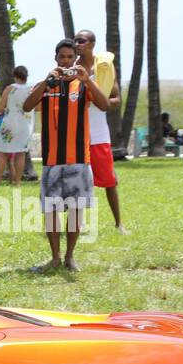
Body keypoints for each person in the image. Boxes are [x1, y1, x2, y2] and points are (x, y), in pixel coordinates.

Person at [22, 39, 111, 272]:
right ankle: (54, 257)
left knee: (75, 210)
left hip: (79, 160)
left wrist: (88, 81)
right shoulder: (47, 84)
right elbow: (27, 106)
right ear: (56, 59)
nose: (66, 61)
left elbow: (104, 106)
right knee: (51, 211)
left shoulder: (83, 84)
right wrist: (44, 83)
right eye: (62, 57)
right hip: (52, 160)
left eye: (70, 57)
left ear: (75, 59)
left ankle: (70, 257)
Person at [74, 29, 127, 236]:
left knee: (109, 180)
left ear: (92, 43)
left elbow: (115, 99)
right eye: (76, 40)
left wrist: (99, 100)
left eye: (82, 40)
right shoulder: (71, 67)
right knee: (78, 180)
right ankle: (79, 223)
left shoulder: (104, 67)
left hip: (98, 133)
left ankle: (118, 223)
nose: (78, 44)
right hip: (76, 133)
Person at [0, 65, 33, 186]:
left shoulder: (10, 88)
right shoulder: (32, 88)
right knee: (21, 153)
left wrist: (6, 109)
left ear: (15, 76)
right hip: (26, 125)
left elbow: (0, 107)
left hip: (9, 124)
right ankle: (17, 182)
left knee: (2, 152)